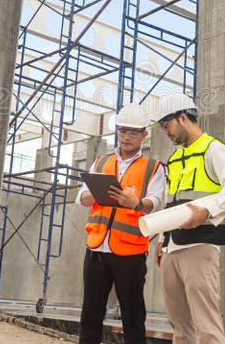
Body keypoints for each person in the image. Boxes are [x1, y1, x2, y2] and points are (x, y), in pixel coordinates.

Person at [153, 93, 225, 344]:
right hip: (173, 246)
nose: (166, 132)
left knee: (206, 325)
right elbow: (169, 203)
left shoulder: (214, 149)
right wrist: (162, 240)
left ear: (184, 117)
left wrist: (207, 211)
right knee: (179, 325)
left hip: (200, 246)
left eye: (167, 125)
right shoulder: (174, 159)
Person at [76, 103, 167, 344]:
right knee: (90, 314)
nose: (126, 137)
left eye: (133, 132)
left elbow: (155, 203)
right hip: (96, 248)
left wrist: (135, 203)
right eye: (122, 131)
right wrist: (97, 193)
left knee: (133, 316)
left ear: (144, 135)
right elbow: (81, 198)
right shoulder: (101, 162)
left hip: (130, 252)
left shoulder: (153, 168)